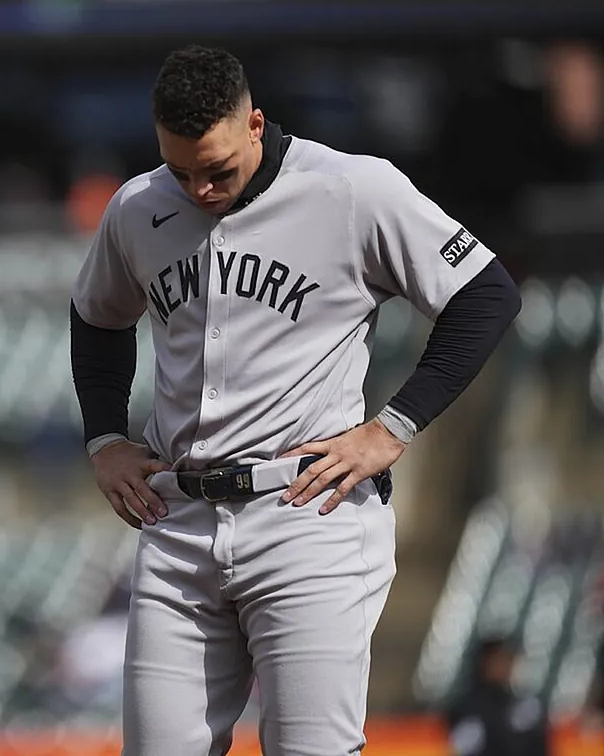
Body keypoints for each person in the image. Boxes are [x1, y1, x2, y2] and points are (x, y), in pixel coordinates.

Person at [69, 46, 522, 755]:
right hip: (179, 517)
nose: (199, 190)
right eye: (181, 169)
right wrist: (104, 439)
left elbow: (486, 293)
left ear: (255, 123)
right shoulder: (139, 206)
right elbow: (97, 316)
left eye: (216, 170)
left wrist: (393, 427)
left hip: (307, 512)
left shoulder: (350, 189)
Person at [445, 637, 550, 756]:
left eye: (509, 660)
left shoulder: (519, 704)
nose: (508, 666)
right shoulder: (468, 707)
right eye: (501, 659)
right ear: (485, 662)